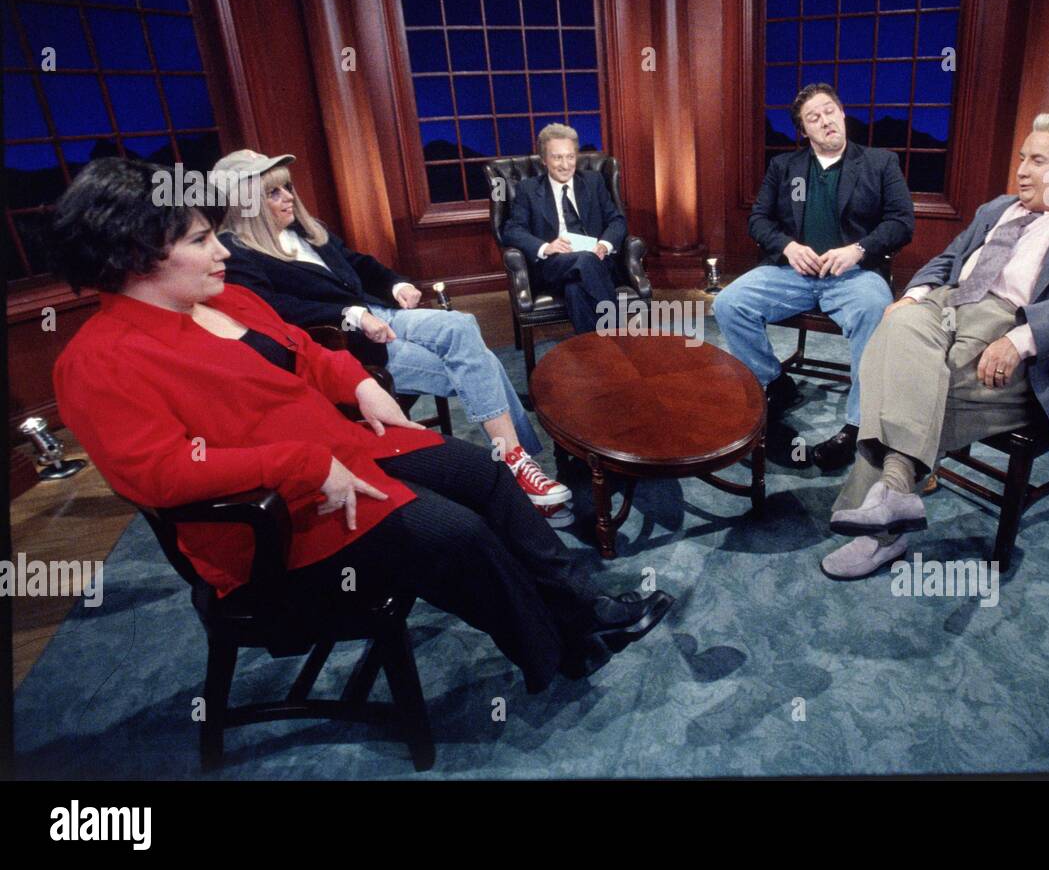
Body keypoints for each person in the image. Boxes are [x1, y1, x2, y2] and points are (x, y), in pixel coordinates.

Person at [50, 157, 673, 691]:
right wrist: (297, 464)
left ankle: (582, 605)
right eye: (198, 241)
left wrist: (357, 381)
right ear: (133, 256)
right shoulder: (98, 361)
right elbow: (157, 474)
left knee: (481, 472)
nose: (221, 251)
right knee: (457, 534)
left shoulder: (223, 298)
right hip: (277, 515)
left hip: (340, 447)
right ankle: (558, 651)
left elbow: (304, 348)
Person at [821, 114, 1049, 579]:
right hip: (947, 304)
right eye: (1022, 157)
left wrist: (1023, 338)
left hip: (1011, 324)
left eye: (1037, 160)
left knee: (911, 384)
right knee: (893, 333)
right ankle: (896, 495)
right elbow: (949, 259)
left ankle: (883, 526)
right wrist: (914, 295)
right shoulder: (996, 208)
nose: (1021, 169)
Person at [211, 149, 573, 528]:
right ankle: (522, 465)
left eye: (287, 187)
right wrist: (350, 315)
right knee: (481, 366)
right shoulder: (236, 253)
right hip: (345, 345)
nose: (288, 197)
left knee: (463, 327)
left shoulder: (306, 229)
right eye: (273, 193)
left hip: (382, 315)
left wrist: (395, 283)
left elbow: (359, 264)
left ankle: (514, 461)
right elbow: (274, 312)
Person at [713, 84, 914, 471]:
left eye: (829, 111)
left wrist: (858, 250)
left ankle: (858, 424)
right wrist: (788, 247)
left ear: (842, 112)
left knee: (876, 311)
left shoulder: (879, 162)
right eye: (814, 118)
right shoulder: (784, 167)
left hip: (855, 274)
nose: (825, 121)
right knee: (729, 303)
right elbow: (758, 220)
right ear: (803, 131)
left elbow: (902, 222)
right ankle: (775, 383)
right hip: (793, 273)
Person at [500, 123, 627, 334]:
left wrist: (604, 245)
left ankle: (596, 353)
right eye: (557, 157)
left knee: (575, 289)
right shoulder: (528, 190)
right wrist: (546, 247)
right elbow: (511, 230)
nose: (565, 164)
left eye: (570, 157)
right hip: (555, 266)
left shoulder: (593, 182)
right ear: (544, 160)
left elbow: (618, 220)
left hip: (598, 261)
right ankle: (620, 337)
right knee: (586, 260)